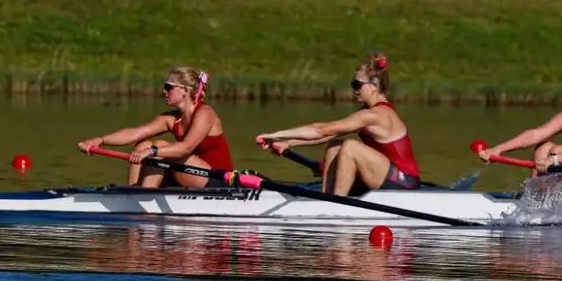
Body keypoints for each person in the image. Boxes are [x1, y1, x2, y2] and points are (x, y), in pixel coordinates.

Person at [255, 53, 420, 196]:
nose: (354, 90)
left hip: (404, 182)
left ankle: (337, 203)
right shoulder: (367, 112)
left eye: (357, 85)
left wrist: (277, 134)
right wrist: (288, 143)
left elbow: (321, 130)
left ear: (374, 86)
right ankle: (327, 198)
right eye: (352, 85)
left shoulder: (377, 115)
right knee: (336, 145)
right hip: (386, 174)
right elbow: (328, 134)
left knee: (350, 147)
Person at [78, 66, 233, 188]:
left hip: (217, 179)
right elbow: (134, 133)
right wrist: (100, 140)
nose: (164, 91)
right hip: (189, 175)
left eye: (168, 87)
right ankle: (134, 190)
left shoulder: (205, 113)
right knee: (143, 144)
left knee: (157, 146)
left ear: (185, 90)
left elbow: (185, 148)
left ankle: (144, 199)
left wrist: (152, 151)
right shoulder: (171, 119)